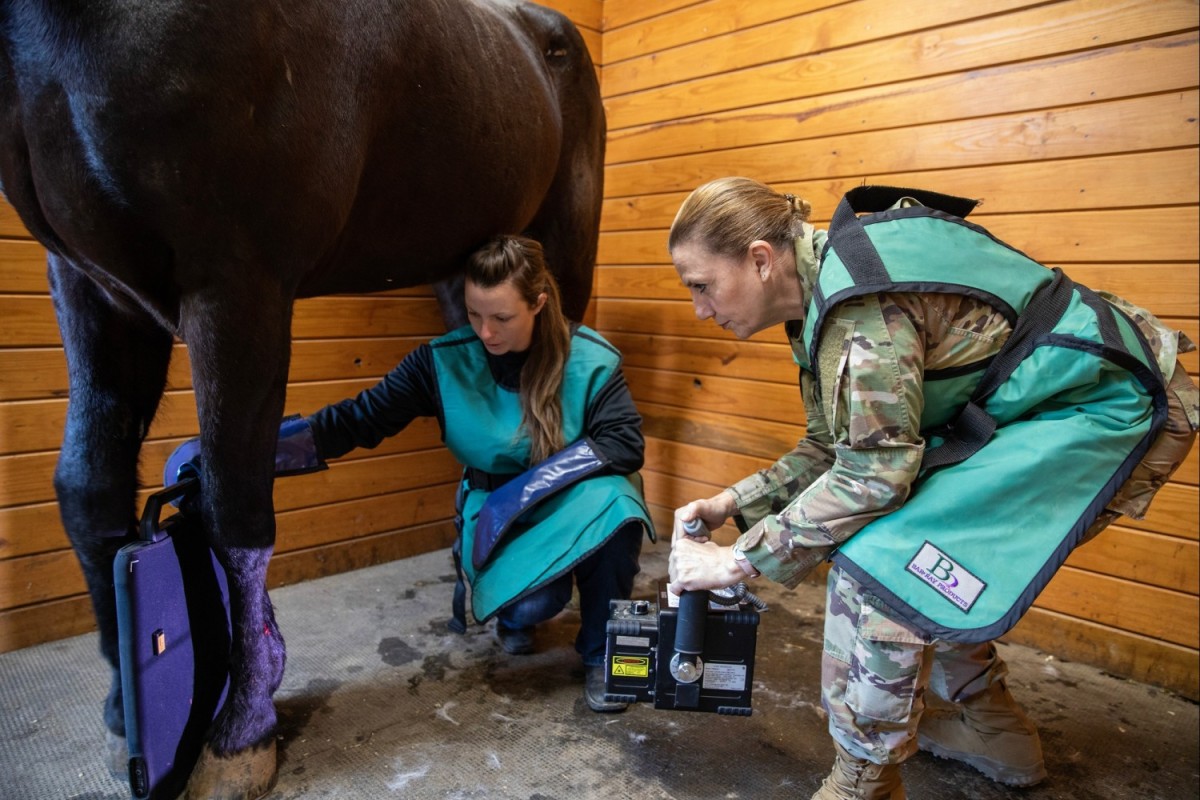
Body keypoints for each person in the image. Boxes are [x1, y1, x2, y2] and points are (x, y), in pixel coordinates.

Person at [663, 177, 1198, 799]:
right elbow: (839, 447)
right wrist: (736, 502)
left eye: (701, 285)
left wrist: (735, 561)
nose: (700, 309)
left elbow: (872, 476)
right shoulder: (827, 292)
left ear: (759, 259)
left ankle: (863, 782)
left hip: (1113, 408)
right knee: (922, 555)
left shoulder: (859, 314)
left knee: (882, 563)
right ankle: (993, 732)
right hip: (1079, 401)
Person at [302, 235, 653, 712]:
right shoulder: (442, 361)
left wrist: (529, 488)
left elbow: (624, 442)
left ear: (538, 303)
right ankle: (509, 607)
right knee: (533, 607)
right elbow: (360, 419)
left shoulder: (589, 356)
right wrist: (266, 450)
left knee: (619, 501)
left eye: (502, 318)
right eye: (473, 314)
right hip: (493, 510)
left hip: (569, 502)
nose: (485, 332)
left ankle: (603, 652)